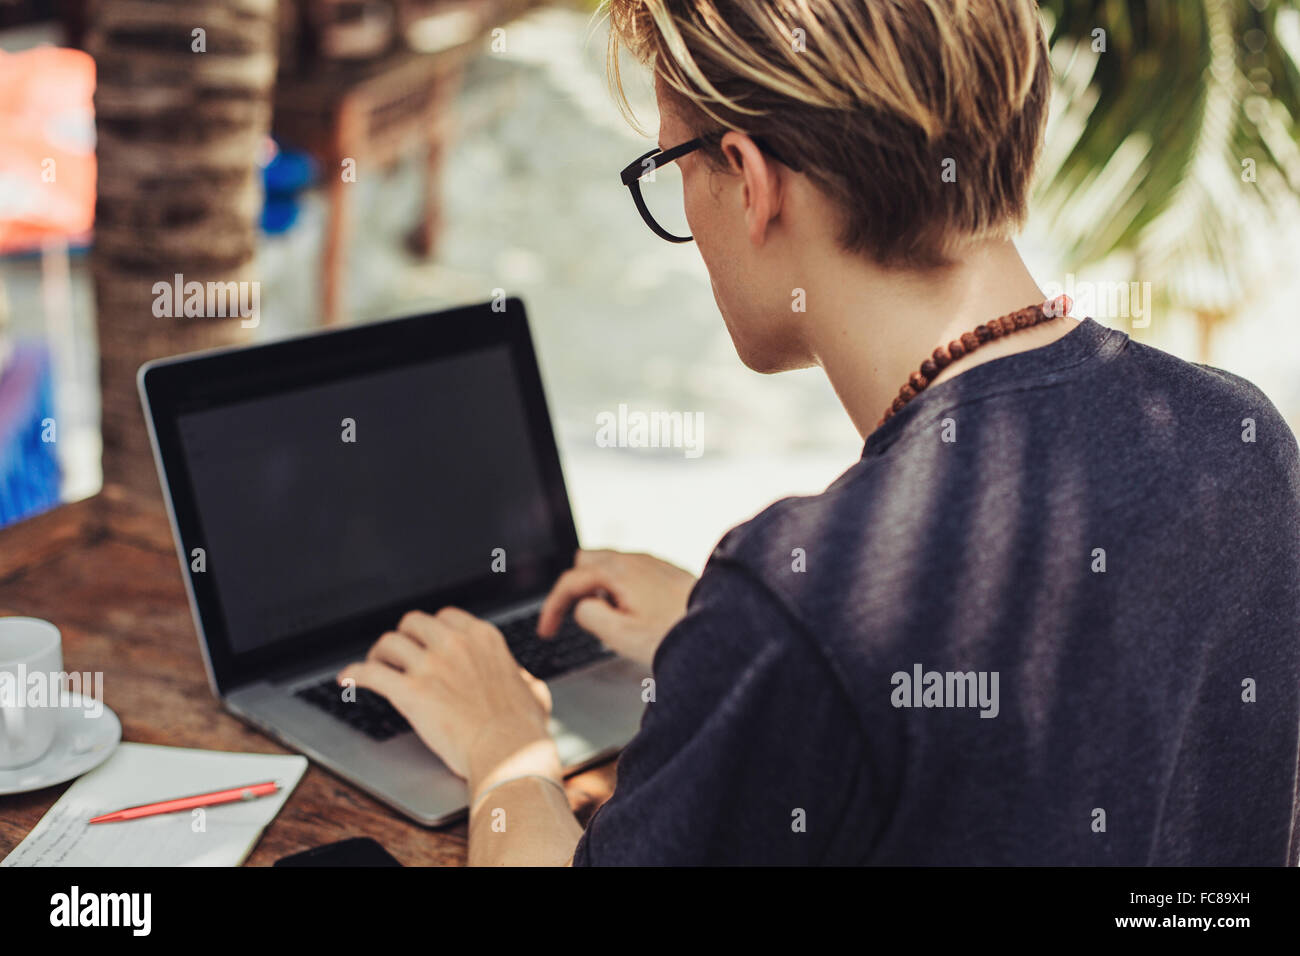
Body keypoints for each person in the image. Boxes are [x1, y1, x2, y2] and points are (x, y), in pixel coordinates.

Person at [339, 0, 1300, 865]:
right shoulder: (1239, 436)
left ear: (751, 179)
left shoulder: (804, 598)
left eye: (671, 164)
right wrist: (732, 656)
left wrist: (504, 746)